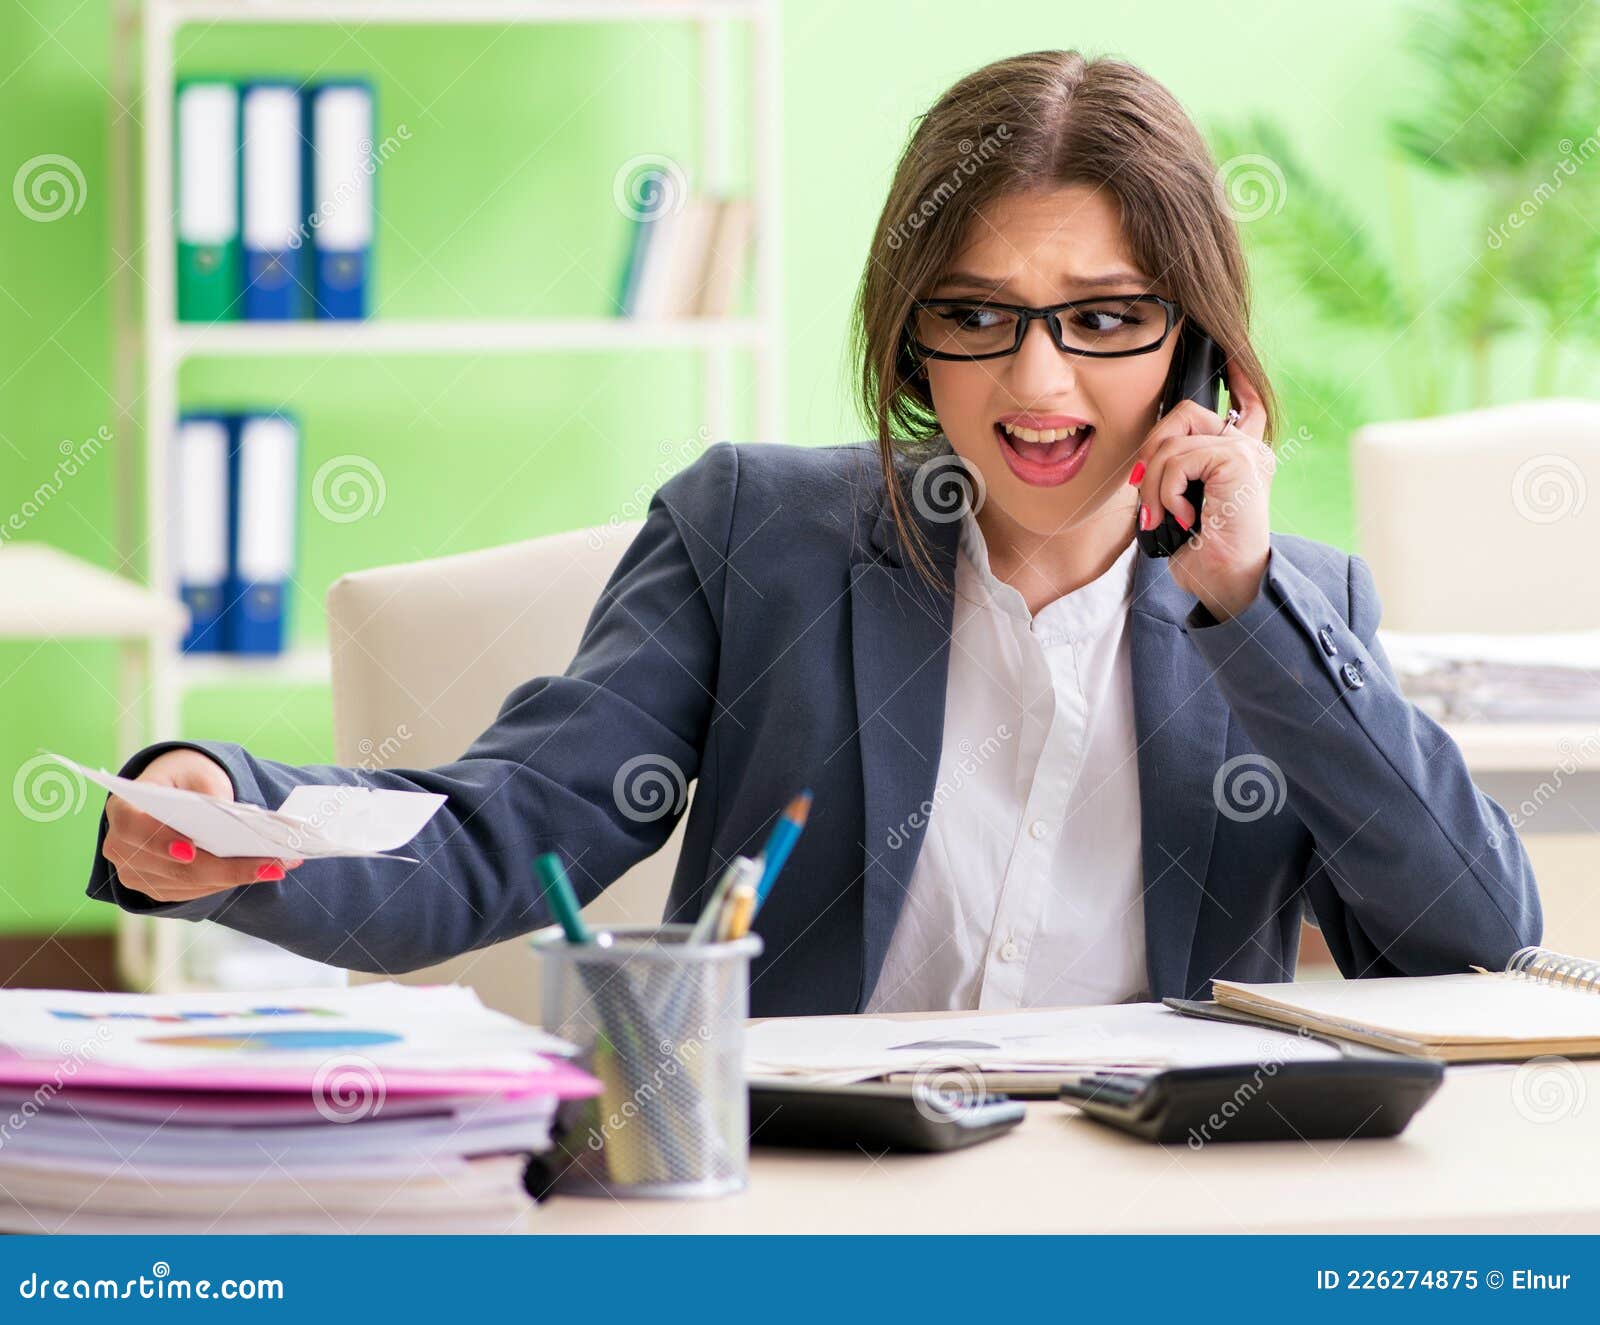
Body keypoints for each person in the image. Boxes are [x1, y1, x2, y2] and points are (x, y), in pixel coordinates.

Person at [87, 50, 1539, 1017]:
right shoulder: (755, 534)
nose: (1036, 385)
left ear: (1193, 347)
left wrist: (1248, 603)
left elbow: (1474, 947)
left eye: (1103, 319)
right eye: (976, 316)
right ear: (910, 340)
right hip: (809, 1211)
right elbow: (499, 831)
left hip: (1143, 1218)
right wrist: (231, 805)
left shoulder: (1289, 607)